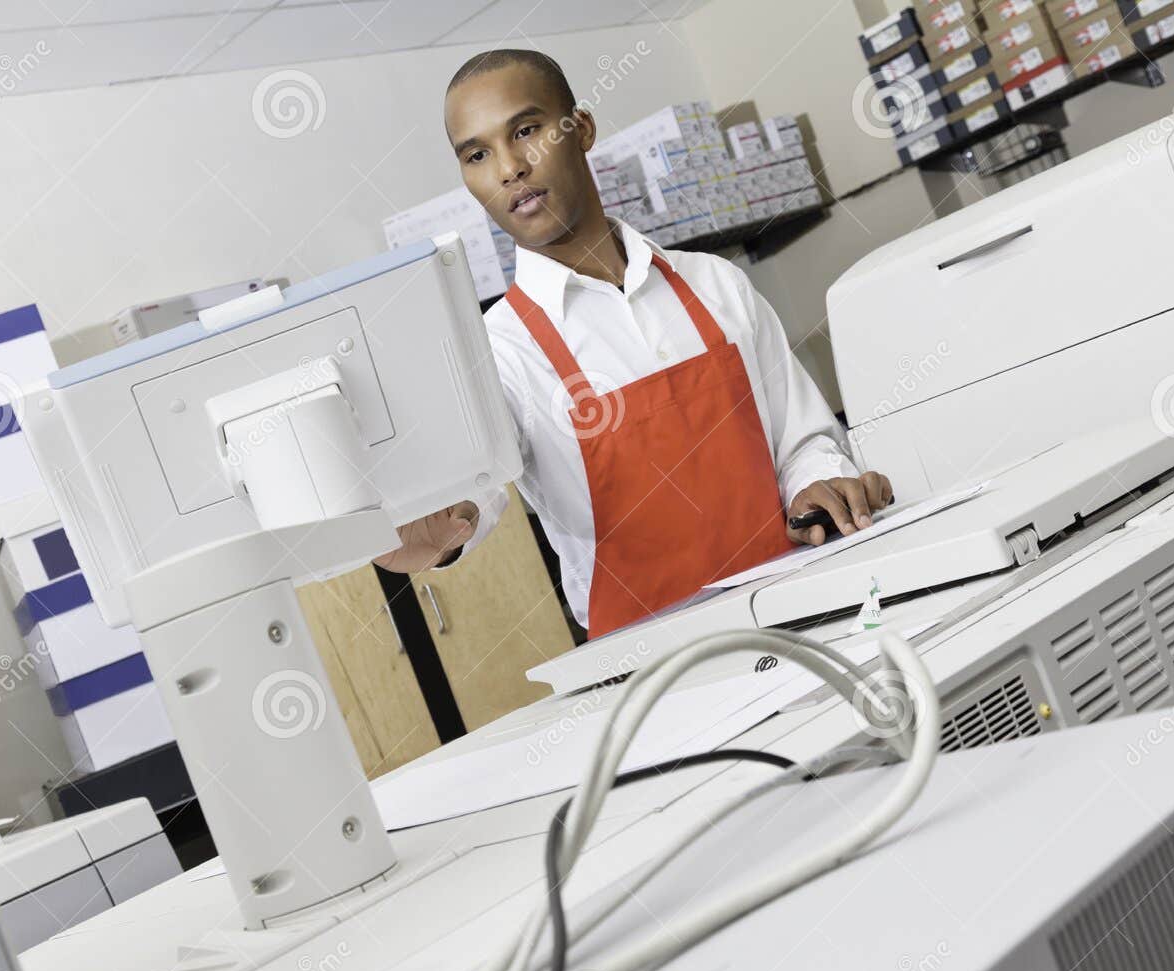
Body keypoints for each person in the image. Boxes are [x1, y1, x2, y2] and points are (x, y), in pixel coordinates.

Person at [375, 48, 893, 638]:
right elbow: (474, 492)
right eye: (477, 155)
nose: (509, 168)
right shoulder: (497, 354)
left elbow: (803, 441)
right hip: (655, 666)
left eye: (526, 131)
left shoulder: (715, 284)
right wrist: (438, 532)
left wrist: (817, 484)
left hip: (808, 616)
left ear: (581, 129)